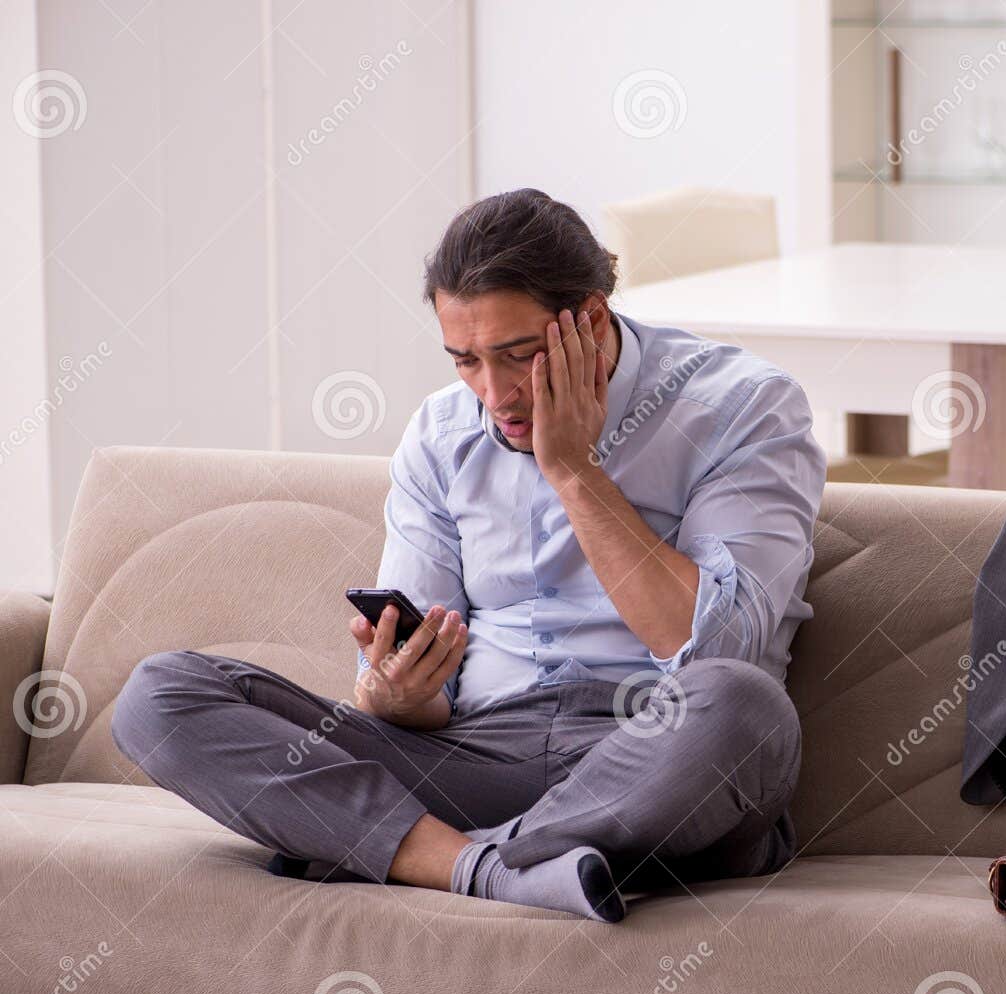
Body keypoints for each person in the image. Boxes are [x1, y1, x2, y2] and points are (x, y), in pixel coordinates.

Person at [111, 188, 827, 923]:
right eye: (465, 362)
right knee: (160, 695)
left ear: (592, 320)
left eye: (518, 356)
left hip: (657, 756)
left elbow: (713, 644)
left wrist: (574, 469)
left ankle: (406, 852)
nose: (495, 393)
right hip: (476, 758)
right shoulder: (441, 433)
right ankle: (492, 868)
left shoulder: (745, 406)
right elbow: (406, 694)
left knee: (745, 707)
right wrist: (400, 693)